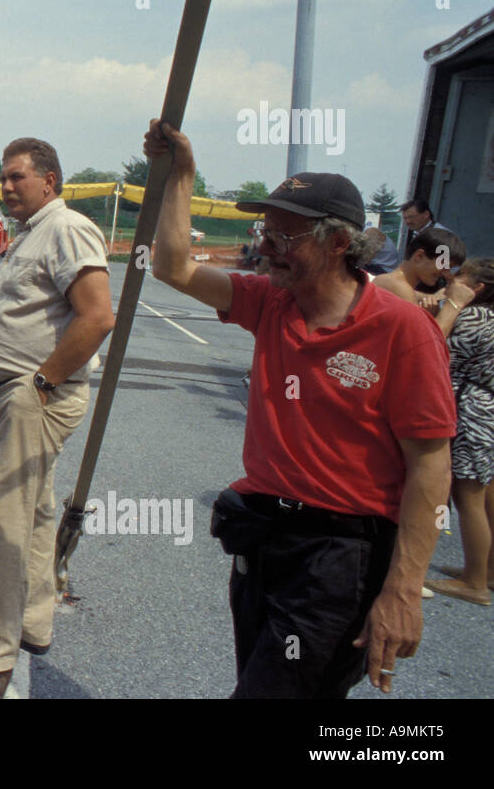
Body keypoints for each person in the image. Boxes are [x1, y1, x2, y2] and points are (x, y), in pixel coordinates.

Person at [144, 119, 454, 698]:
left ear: (339, 243)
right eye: (265, 232)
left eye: (283, 238)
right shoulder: (271, 303)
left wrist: (403, 590)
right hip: (264, 541)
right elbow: (172, 268)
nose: (264, 247)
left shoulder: (401, 331)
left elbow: (432, 467)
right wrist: (181, 175)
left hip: (339, 561)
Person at [0, 138, 114, 698]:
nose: (5, 187)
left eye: (16, 177)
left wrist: (38, 385)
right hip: (17, 391)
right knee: (39, 507)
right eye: (2, 178)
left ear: (49, 180)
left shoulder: (67, 227)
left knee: (5, 521)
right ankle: (34, 620)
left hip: (38, 395)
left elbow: (98, 317)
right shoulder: (30, 232)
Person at [423, 258, 494, 605]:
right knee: (486, 492)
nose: (452, 278)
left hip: (469, 411)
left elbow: (434, 349)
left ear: (476, 288)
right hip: (487, 410)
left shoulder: (475, 317)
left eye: (461, 276)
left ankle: (474, 582)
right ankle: (487, 569)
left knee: (468, 499)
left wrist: (447, 307)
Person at [372, 228, 465, 303]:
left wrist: (433, 298)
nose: (446, 274)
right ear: (419, 256)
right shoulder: (399, 288)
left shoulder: (393, 283)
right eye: (443, 265)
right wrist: (455, 304)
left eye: (450, 268)